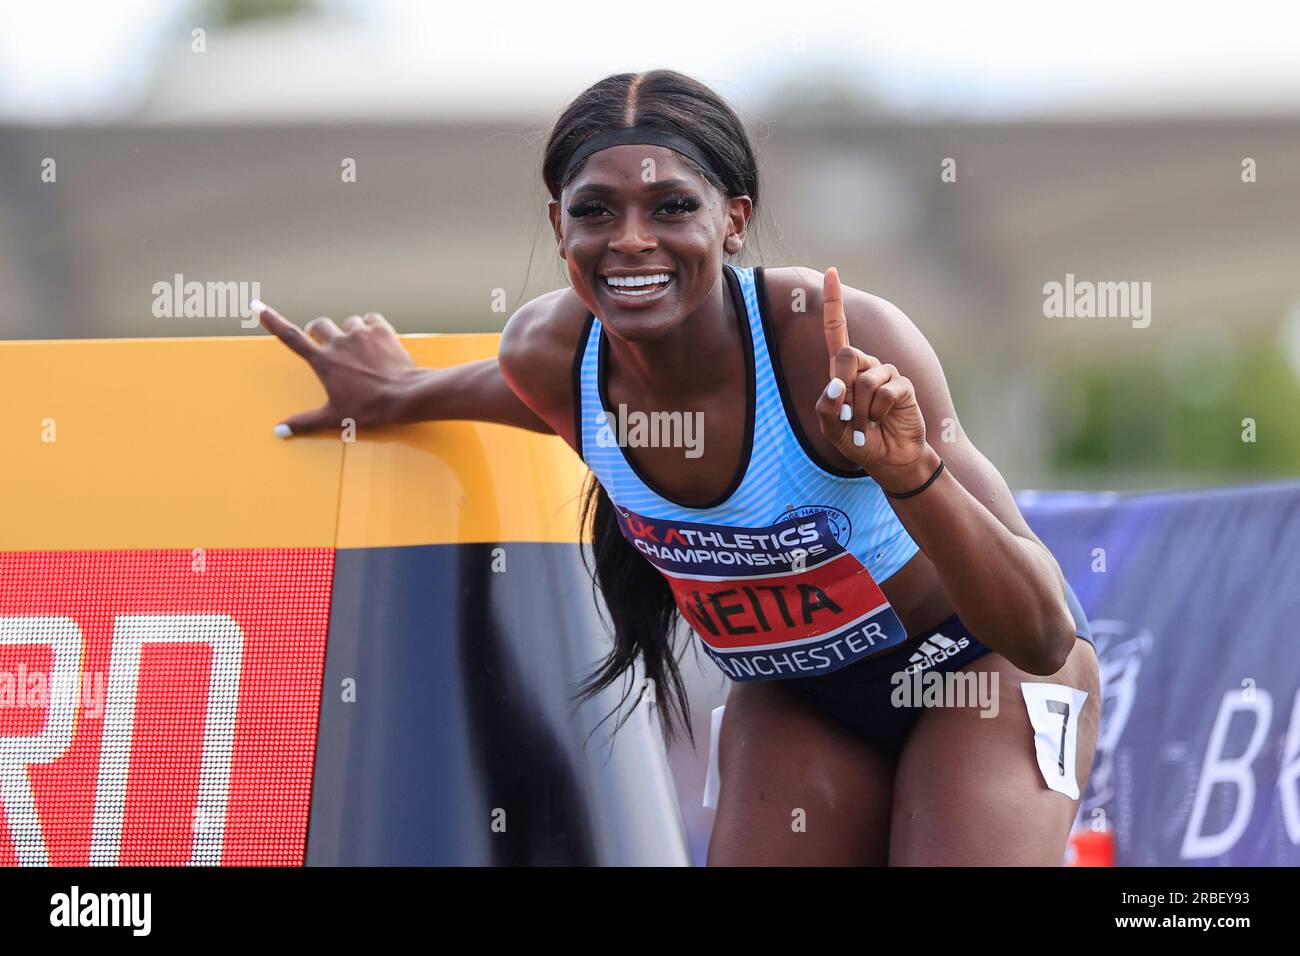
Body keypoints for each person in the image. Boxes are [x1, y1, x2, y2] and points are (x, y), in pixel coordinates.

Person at [255, 69, 1101, 866]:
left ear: (733, 219)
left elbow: (1039, 634)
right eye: (595, 211)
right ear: (560, 228)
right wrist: (398, 392)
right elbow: (511, 394)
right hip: (798, 698)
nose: (630, 242)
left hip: (970, 672)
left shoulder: (829, 344)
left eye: (670, 207)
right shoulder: (553, 360)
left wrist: (913, 474)